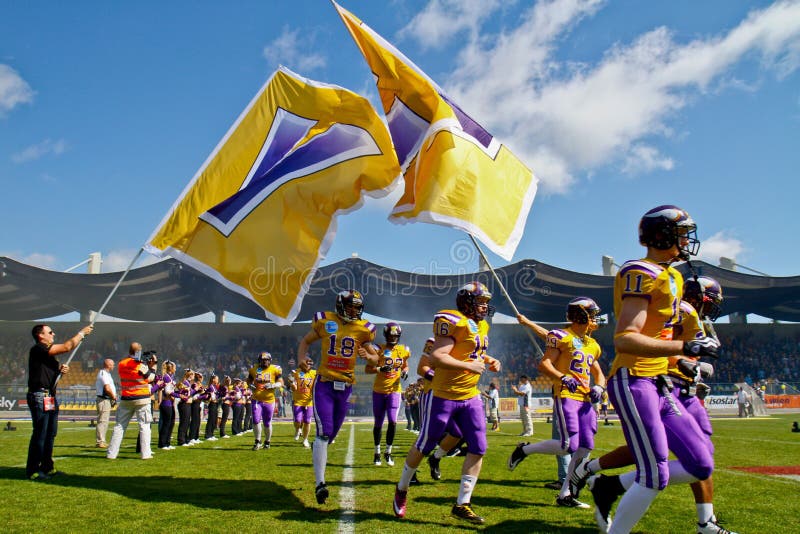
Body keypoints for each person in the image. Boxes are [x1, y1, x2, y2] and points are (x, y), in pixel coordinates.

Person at [587, 205, 718, 534]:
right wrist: (686, 347)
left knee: (701, 463)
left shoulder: (672, 276)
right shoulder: (641, 271)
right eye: (683, 232)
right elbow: (626, 339)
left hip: (660, 382)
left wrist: (681, 361)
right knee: (654, 475)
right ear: (663, 235)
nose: (688, 239)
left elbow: (658, 335)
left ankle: (608, 486)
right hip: (634, 380)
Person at [573, 276, 734, 534]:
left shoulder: (689, 313)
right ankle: (605, 480)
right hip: (662, 384)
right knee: (654, 453)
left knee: (697, 454)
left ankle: (706, 520)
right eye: (711, 301)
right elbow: (651, 343)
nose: (713, 307)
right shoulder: (673, 308)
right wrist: (683, 363)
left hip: (682, 387)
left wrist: (695, 371)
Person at [393, 281, 501, 525]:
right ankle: (401, 488)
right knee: (425, 444)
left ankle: (462, 504)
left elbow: (471, 352)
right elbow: (437, 358)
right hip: (443, 395)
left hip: (470, 395)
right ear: (466, 302)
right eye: (480, 302)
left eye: (486, 302)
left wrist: (488, 359)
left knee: (478, 446)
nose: (484, 307)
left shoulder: (481, 325)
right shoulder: (451, 321)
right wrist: (468, 365)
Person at [508, 297, 606, 509]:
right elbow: (544, 364)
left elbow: (599, 373)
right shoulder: (562, 336)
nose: (596, 319)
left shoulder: (592, 344)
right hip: (566, 395)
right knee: (567, 445)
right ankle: (524, 450)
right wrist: (562, 377)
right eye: (593, 314)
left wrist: (599, 387)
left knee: (586, 447)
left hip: (585, 400)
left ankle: (566, 494)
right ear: (581, 315)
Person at [297, 289, 380, 505]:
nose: (354, 310)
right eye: (351, 306)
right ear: (341, 305)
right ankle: (320, 483)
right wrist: (301, 359)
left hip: (346, 388)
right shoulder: (325, 321)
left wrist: (368, 356)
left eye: (357, 307)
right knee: (323, 433)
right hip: (324, 383)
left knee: (331, 434)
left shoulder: (364, 329)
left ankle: (320, 459)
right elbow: (305, 342)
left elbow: (376, 360)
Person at [26, 323, 93, 480]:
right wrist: (82, 333)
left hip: (49, 396)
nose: (53, 334)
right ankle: (33, 470)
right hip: (40, 396)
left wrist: (59, 372)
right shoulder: (38, 349)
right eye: (50, 332)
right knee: (40, 434)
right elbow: (67, 347)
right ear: (40, 335)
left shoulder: (47, 355)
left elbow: (51, 376)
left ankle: (47, 467)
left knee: (50, 434)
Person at [367, 322, 411, 466]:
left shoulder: (403, 350)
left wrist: (405, 371)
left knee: (393, 422)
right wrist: (380, 369)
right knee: (378, 423)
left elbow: (405, 364)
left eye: (395, 336)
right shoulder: (378, 349)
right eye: (390, 335)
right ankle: (376, 452)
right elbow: (368, 369)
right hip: (379, 391)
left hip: (394, 391)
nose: (393, 338)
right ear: (386, 335)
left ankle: (388, 452)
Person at [107, 342, 158, 460]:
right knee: (144, 426)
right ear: (138, 352)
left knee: (119, 426)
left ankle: (111, 453)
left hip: (126, 398)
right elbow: (151, 378)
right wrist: (153, 366)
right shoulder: (140, 365)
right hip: (142, 399)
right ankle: (145, 454)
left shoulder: (121, 364)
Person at [247, 351, 283, 450]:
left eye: (267, 360)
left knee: (267, 423)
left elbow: (281, 382)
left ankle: (267, 441)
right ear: (259, 361)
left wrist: (273, 385)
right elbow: (248, 380)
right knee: (255, 420)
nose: (265, 362)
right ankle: (257, 441)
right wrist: (250, 386)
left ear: (270, 360)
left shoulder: (275, 369)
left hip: (269, 400)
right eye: (263, 360)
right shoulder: (254, 369)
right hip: (256, 399)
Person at [289, 357, 316, 448]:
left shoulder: (314, 373)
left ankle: (305, 440)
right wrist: (293, 385)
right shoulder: (296, 372)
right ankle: (297, 429)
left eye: (310, 364)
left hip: (309, 401)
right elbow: (293, 388)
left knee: (307, 421)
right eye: (307, 364)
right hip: (298, 401)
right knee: (297, 420)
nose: (309, 366)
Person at [95, 358, 117, 448]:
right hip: (103, 399)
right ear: (108, 365)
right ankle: (100, 441)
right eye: (112, 364)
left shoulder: (107, 374)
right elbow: (107, 388)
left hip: (106, 400)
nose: (114, 366)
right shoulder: (103, 373)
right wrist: (113, 396)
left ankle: (102, 440)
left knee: (104, 421)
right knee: (102, 421)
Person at [156, 360, 177, 450]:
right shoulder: (166, 377)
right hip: (166, 403)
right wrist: (178, 395)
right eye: (174, 368)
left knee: (170, 423)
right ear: (171, 368)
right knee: (166, 424)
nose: (175, 369)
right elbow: (168, 391)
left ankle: (167, 442)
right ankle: (162, 443)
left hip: (170, 403)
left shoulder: (169, 377)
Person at [175, 369, 195, 446]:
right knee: (184, 422)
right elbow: (187, 394)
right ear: (189, 375)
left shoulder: (188, 383)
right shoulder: (184, 382)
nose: (194, 376)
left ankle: (186, 439)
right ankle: (181, 440)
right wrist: (195, 390)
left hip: (188, 404)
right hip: (184, 404)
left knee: (187, 422)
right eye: (192, 374)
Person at [204, 374, 220, 441]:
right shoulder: (210, 387)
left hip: (215, 404)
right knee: (211, 419)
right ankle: (208, 435)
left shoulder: (214, 386)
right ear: (213, 379)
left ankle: (211, 434)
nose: (218, 380)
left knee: (214, 420)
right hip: (212, 404)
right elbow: (211, 396)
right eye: (217, 379)